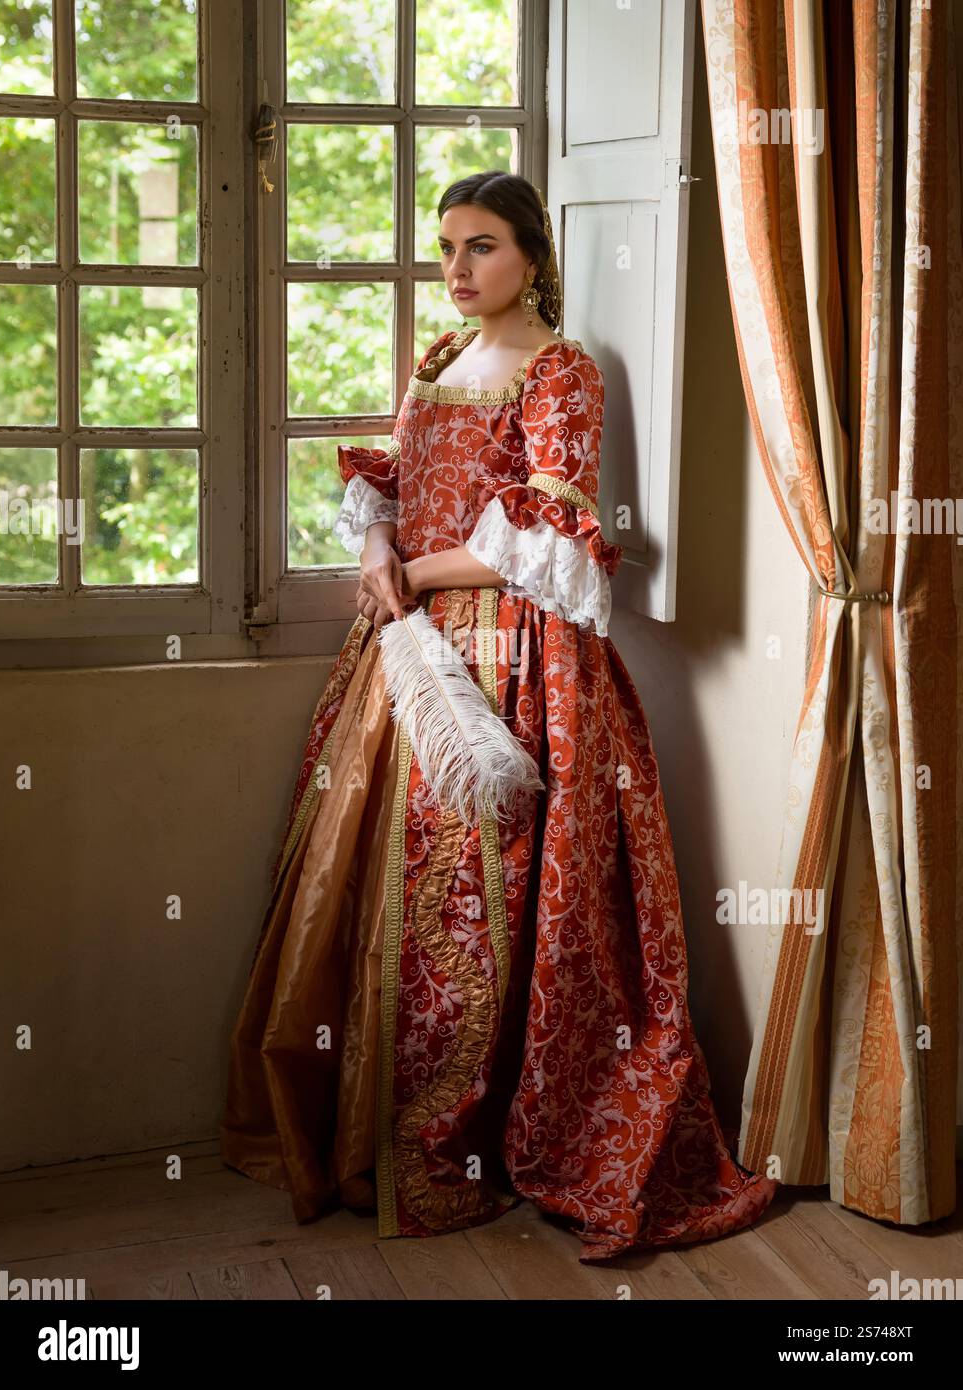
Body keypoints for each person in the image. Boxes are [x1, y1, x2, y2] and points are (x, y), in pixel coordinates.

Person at [220, 170, 779, 1264]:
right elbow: (395, 482)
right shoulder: (437, 362)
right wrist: (381, 548)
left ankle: (492, 1128)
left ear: (533, 255)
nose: (456, 269)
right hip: (412, 648)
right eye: (445, 248)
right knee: (386, 876)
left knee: (504, 883)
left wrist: (415, 570)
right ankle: (390, 1127)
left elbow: (544, 539)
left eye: (480, 247)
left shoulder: (564, 371)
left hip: (516, 652)